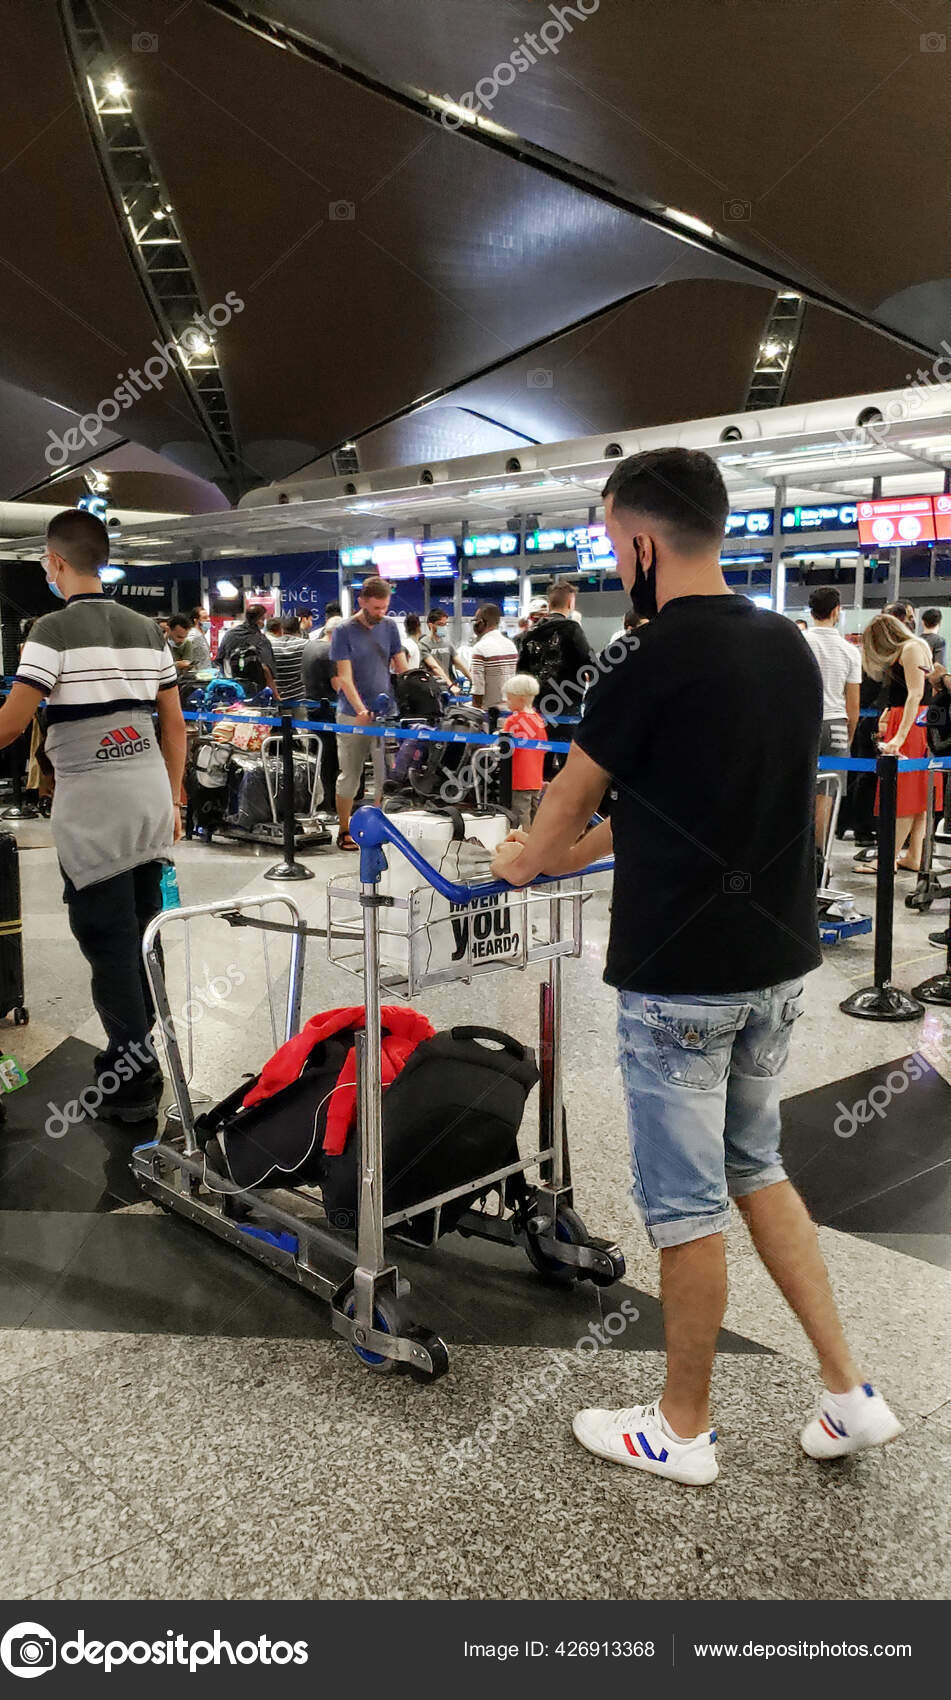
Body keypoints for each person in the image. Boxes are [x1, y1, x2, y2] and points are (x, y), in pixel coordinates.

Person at [492, 447, 901, 1485]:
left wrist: (524, 858)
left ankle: (681, 1426)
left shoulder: (646, 655)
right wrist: (566, 852)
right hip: (775, 963)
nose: (610, 561)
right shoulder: (787, 647)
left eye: (609, 540)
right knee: (756, 1164)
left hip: (681, 977)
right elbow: (668, 805)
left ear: (641, 543)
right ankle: (847, 1392)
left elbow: (568, 803)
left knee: (683, 1206)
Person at [0, 509, 187, 1123]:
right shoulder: (147, 630)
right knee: (141, 932)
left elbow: (11, 724)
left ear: (56, 561)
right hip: (148, 796)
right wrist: (175, 798)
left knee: (106, 941)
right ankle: (142, 1058)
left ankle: (131, 1084)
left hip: (94, 804)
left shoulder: (52, 630)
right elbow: (174, 726)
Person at [858, 610, 941, 874]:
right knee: (918, 796)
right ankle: (913, 855)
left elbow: (915, 694)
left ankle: (888, 858)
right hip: (913, 720)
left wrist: (900, 736)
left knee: (904, 796)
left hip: (911, 723)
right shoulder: (916, 646)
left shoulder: (910, 649)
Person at [329, 576, 408, 850]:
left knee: (387, 775)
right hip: (352, 714)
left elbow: (401, 665)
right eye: (376, 608)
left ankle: (379, 826)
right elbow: (344, 676)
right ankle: (344, 829)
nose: (381, 613)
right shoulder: (343, 630)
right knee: (350, 774)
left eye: (385, 607)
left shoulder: (390, 627)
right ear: (362, 601)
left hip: (386, 712)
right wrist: (360, 708)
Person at [803, 587, 861, 869]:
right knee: (827, 794)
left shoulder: (799, 642)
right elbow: (853, 703)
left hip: (804, 723)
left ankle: (798, 860)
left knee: (798, 790)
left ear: (810, 611)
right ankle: (819, 861)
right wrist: (849, 735)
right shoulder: (850, 650)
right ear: (837, 610)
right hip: (837, 723)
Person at [517, 580, 596, 770]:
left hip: (537, 709)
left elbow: (521, 673)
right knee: (568, 767)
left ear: (550, 603)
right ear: (570, 602)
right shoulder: (571, 629)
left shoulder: (530, 633)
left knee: (538, 765)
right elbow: (591, 664)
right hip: (567, 707)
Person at [302, 613, 341, 812]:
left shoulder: (309, 646)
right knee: (330, 760)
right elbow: (337, 685)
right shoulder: (330, 652)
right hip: (328, 710)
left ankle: (317, 800)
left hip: (311, 708)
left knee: (316, 756)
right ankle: (330, 803)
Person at [502, 674, 546, 827]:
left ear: (520, 699)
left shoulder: (512, 721)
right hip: (535, 778)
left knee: (520, 818)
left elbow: (504, 749)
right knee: (534, 814)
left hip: (518, 779)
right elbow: (544, 747)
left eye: (509, 698)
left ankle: (522, 840)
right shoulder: (538, 719)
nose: (506, 701)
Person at [471, 603, 518, 718]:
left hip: (490, 713)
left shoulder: (480, 648)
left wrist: (475, 714)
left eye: (475, 621)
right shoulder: (511, 645)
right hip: (510, 710)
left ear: (481, 622)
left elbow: (478, 688)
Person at [216, 603, 276, 693]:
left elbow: (219, 659)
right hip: (255, 690)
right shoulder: (261, 640)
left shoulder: (229, 635)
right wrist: (275, 693)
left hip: (232, 688)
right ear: (260, 620)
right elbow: (266, 668)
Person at [270, 614, 308, 704]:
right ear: (299, 629)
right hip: (299, 698)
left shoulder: (271, 645)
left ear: (282, 629)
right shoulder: (305, 644)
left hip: (276, 697)